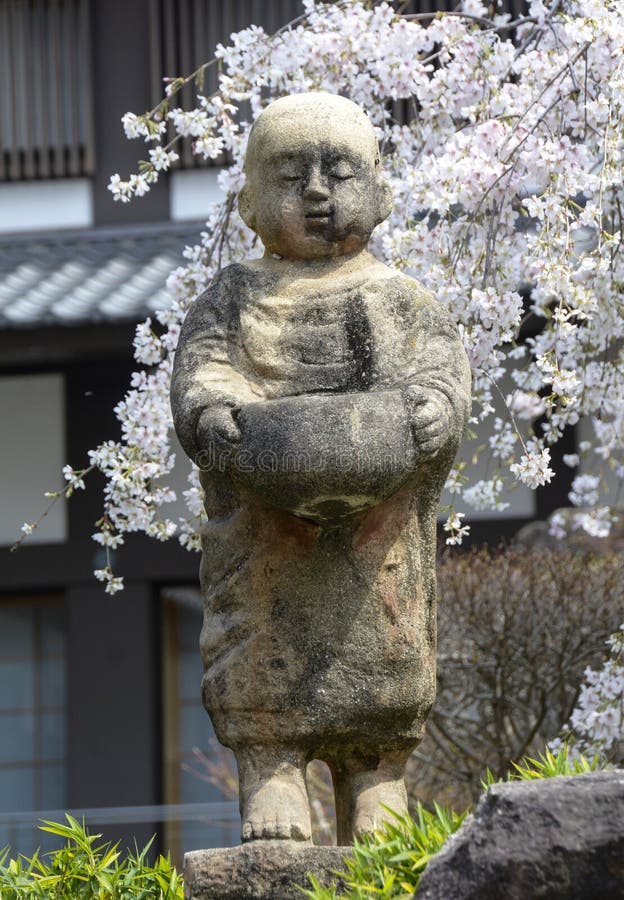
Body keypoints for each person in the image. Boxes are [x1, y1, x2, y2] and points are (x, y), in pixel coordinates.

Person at [171, 92, 471, 844]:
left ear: (380, 192)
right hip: (267, 521)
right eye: (290, 174)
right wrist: (217, 415)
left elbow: (442, 371)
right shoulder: (231, 298)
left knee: (387, 640)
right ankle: (271, 772)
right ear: (246, 199)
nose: (315, 192)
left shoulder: (402, 300)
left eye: (338, 172)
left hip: (378, 522)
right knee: (261, 642)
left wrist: (434, 406)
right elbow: (203, 373)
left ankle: (378, 778)